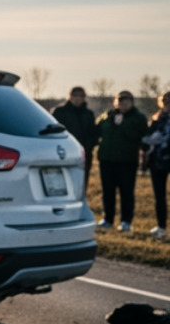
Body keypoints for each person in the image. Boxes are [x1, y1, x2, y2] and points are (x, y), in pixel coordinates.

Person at [95, 90, 148, 232]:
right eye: (120, 101)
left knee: (126, 192)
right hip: (107, 159)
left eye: (126, 101)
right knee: (108, 191)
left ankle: (126, 221)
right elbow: (97, 130)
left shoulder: (138, 118)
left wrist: (122, 125)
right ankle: (108, 219)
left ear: (131, 102)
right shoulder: (107, 116)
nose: (123, 104)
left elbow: (140, 136)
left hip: (127, 160)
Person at [52, 85, 99, 182]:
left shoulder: (88, 114)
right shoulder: (60, 112)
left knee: (82, 182)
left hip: (84, 152)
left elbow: (93, 132)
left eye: (80, 96)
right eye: (75, 95)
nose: (77, 98)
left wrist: (90, 145)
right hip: (64, 153)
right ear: (70, 96)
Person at [143, 90, 170, 240]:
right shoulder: (156, 118)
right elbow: (146, 137)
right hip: (157, 162)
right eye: (166, 101)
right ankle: (161, 227)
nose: (168, 104)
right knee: (159, 197)